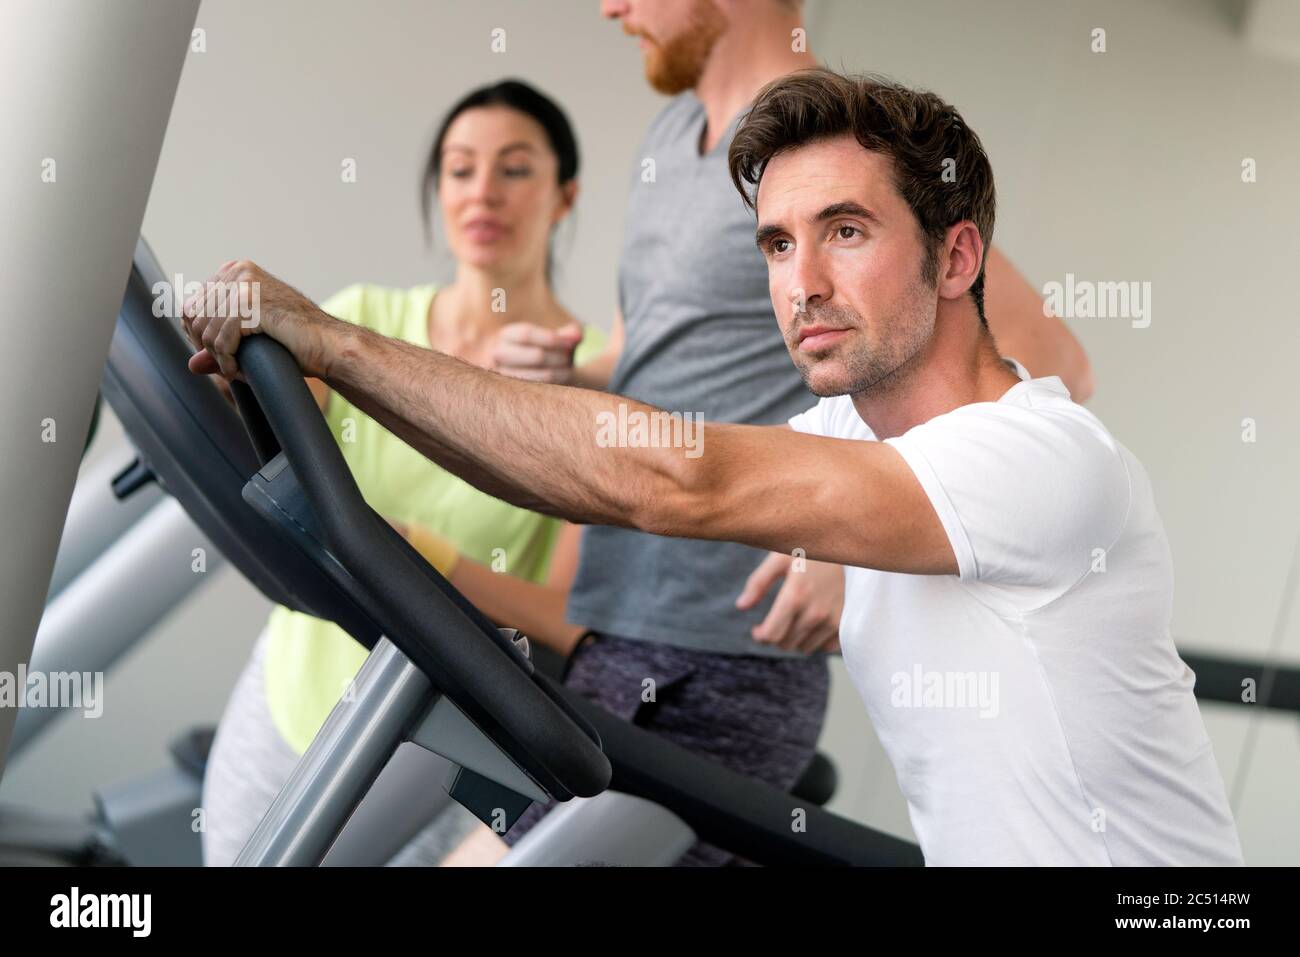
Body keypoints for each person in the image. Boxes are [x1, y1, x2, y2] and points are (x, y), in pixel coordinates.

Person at [182, 67, 1243, 866]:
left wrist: (334, 343)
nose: (803, 282)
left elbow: (671, 482)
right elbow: (602, 467)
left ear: (955, 257)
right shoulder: (848, 440)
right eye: (777, 245)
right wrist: (336, 366)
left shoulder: (1039, 458)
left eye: (845, 230)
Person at [455, 0, 1095, 865]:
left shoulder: (833, 153)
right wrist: (567, 369)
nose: (611, 6)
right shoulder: (670, 135)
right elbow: (651, 351)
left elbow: (1052, 356)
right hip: (615, 615)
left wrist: (850, 544)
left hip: (722, 647)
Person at [199, 79, 606, 866]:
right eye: (459, 169)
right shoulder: (357, 322)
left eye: (515, 169)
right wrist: (221, 364)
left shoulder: (584, 383)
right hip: (288, 696)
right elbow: (258, 435)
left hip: (421, 754)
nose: (483, 190)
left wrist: (423, 558)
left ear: (564, 197)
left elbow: (566, 619)